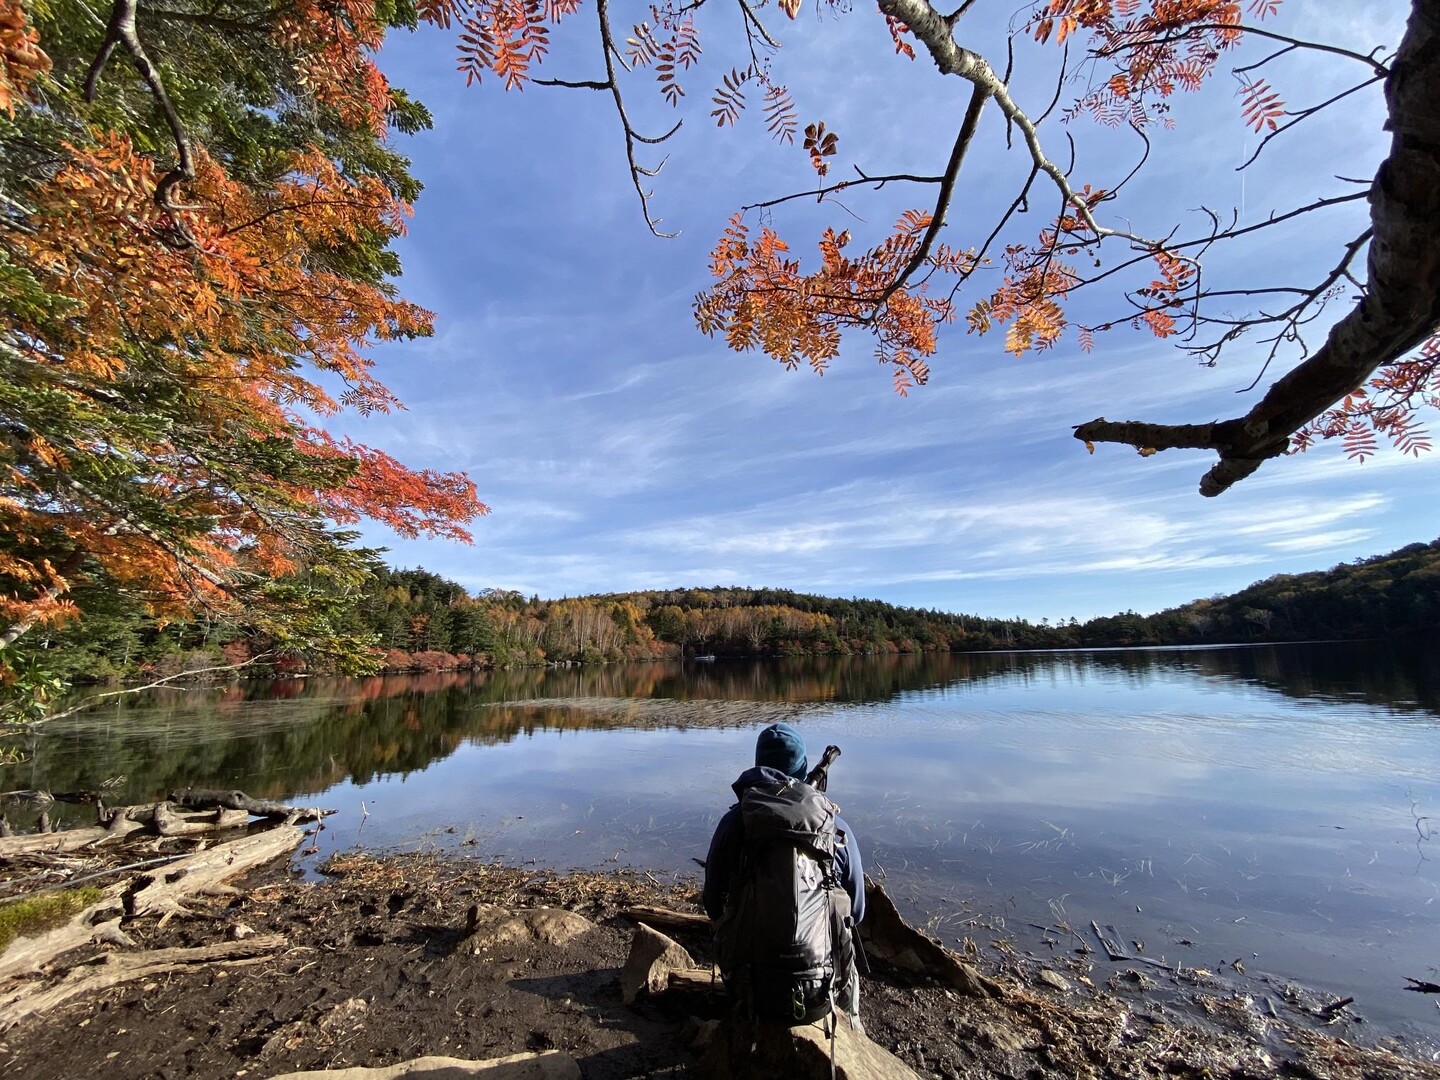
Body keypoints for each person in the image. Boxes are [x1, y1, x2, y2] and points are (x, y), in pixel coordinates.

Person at [703, 722, 865, 1029]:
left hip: (750, 986)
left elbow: (711, 903)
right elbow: (856, 913)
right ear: (803, 771)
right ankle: (851, 1029)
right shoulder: (836, 828)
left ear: (758, 765)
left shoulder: (734, 823)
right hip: (821, 988)